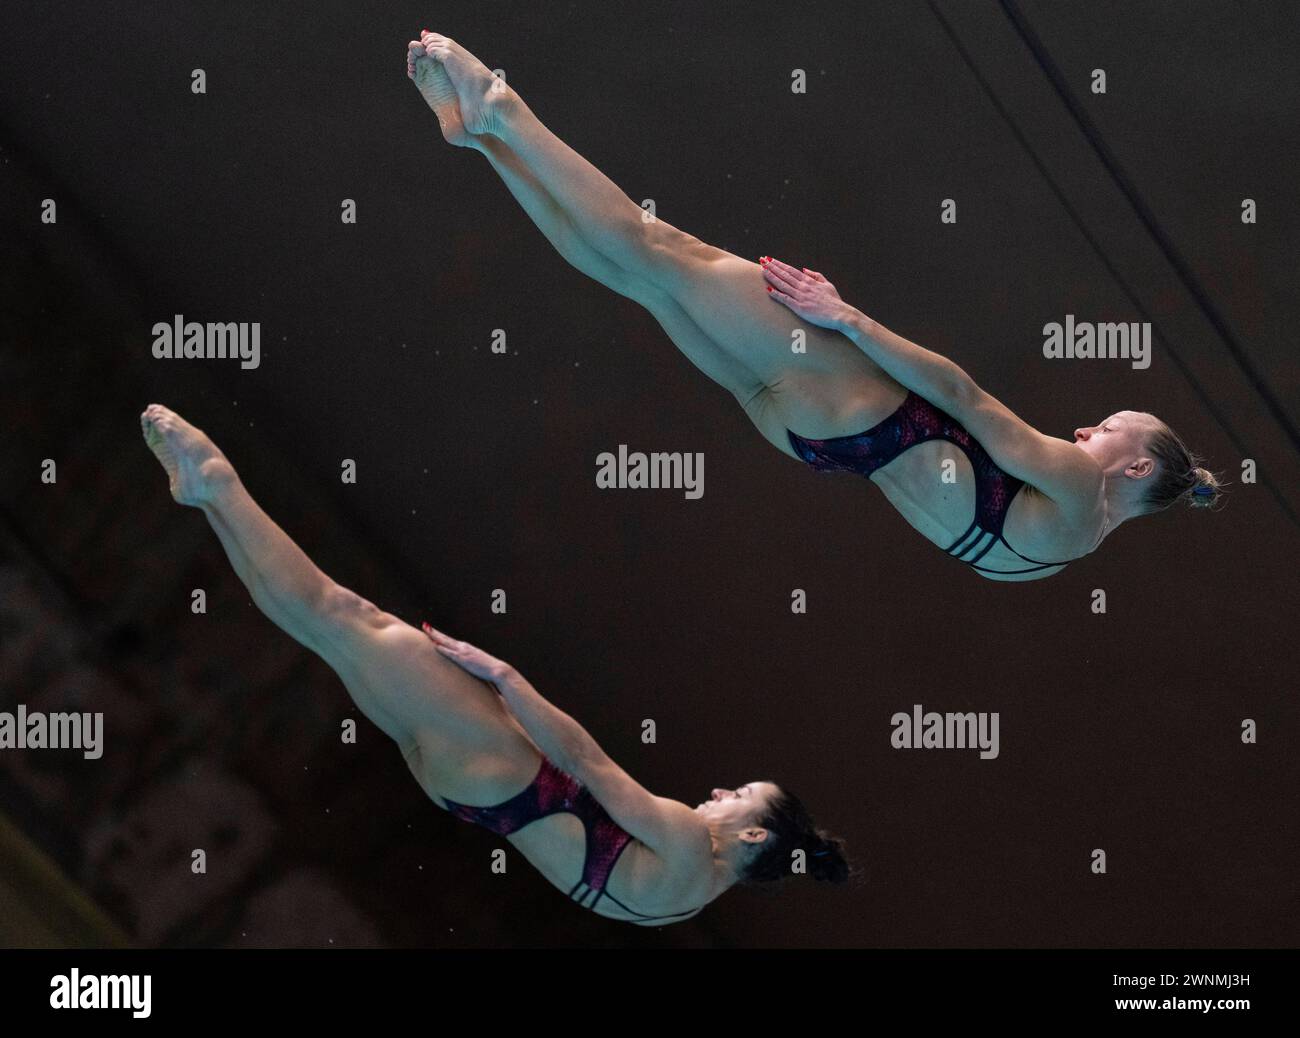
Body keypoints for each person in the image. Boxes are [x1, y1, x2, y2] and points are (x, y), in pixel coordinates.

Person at [407, 31, 1221, 581]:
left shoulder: (1082, 486)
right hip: (812, 442)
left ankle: (500, 107)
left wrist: (846, 318)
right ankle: (483, 143)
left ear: (1139, 466)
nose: (1085, 432)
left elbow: (965, 397)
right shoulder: (1053, 561)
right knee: (637, 280)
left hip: (854, 400)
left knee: (659, 251)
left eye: (1108, 430)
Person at [140, 404, 849, 926]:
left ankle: (219, 485)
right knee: (326, 632)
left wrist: (506, 679)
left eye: (737, 798)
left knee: (342, 616)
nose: (719, 793)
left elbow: (587, 763)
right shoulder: (679, 907)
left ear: (752, 836)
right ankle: (211, 499)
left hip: (507, 767)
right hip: (467, 795)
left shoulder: (695, 849)